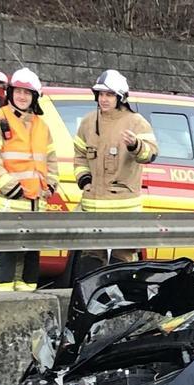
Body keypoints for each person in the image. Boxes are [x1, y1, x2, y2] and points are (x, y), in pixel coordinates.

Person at [0, 68, 57, 291]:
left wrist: (50, 186)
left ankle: (27, 302)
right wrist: (10, 187)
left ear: (34, 97)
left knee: (30, 259)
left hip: (35, 203)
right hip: (6, 202)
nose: (22, 97)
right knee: (5, 255)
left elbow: (51, 161)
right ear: (11, 93)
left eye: (27, 93)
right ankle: (2, 304)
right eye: (18, 91)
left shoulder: (41, 126)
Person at [73, 70, 158, 269]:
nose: (104, 99)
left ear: (120, 97)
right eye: (101, 94)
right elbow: (79, 154)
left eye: (109, 95)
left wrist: (135, 145)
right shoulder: (87, 123)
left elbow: (151, 154)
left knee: (123, 265)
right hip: (92, 207)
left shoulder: (135, 122)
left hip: (124, 209)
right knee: (89, 265)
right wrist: (85, 180)